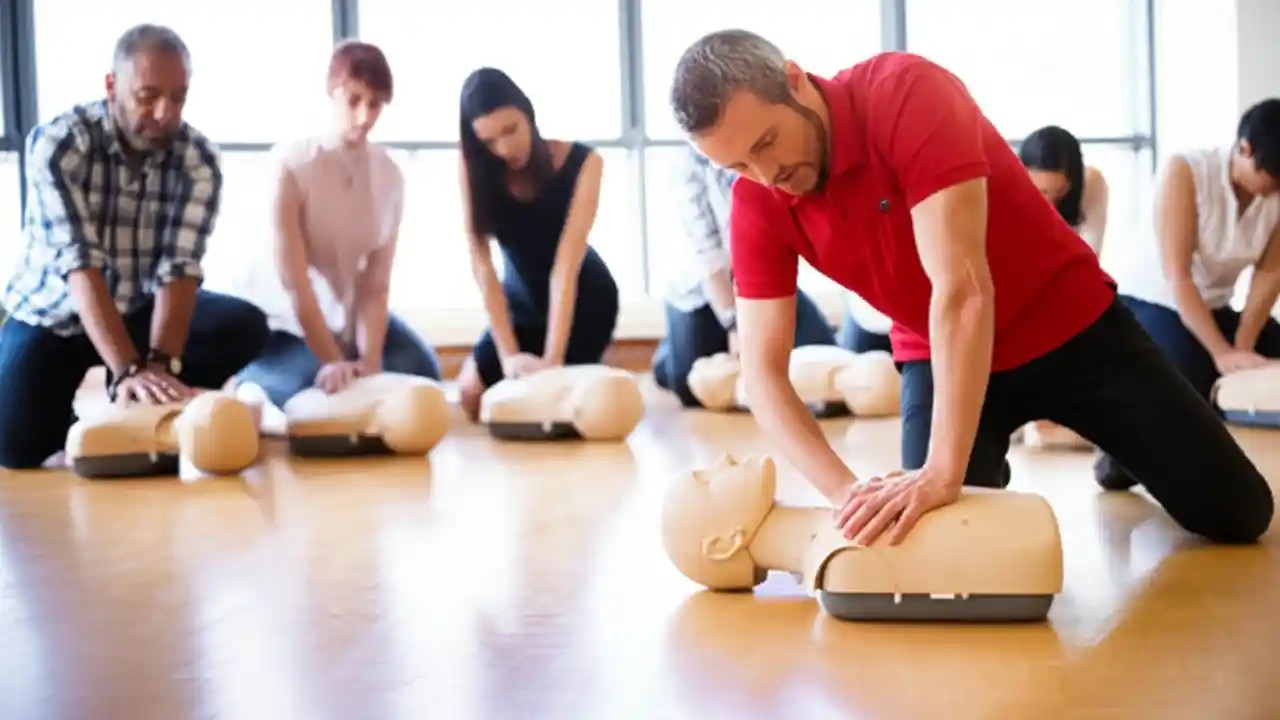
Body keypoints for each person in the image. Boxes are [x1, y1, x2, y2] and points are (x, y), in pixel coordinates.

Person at [668, 30, 1273, 547]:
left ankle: (1121, 445)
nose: (766, 176)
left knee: (1238, 515)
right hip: (940, 354)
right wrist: (846, 496)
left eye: (767, 143)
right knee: (932, 542)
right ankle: (1111, 440)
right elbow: (765, 375)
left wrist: (941, 471)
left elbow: (962, 287)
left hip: (1071, 327)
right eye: (738, 166)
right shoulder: (758, 200)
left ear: (796, 81)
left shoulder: (906, 92)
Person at [0, 24, 268, 470]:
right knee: (15, 447)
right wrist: (127, 367)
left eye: (178, 98)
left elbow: (179, 271)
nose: (164, 113)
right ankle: (106, 393)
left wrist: (161, 365)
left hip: (139, 311)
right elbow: (81, 268)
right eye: (148, 96)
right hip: (54, 318)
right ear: (112, 86)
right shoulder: (59, 146)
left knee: (245, 325)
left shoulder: (197, 161)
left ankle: (149, 405)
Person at [234, 40, 441, 411]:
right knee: (307, 386)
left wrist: (370, 365)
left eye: (375, 104)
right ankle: (250, 377)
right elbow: (294, 283)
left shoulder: (390, 177)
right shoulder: (291, 165)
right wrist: (334, 360)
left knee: (423, 373)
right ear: (332, 93)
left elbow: (375, 287)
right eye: (354, 100)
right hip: (285, 320)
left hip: (345, 315)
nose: (365, 116)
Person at [454, 67, 620, 421]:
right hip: (520, 305)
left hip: (583, 300)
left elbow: (566, 266)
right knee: (471, 397)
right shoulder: (475, 170)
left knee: (563, 406)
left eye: (511, 130)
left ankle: (588, 360)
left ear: (528, 113)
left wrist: (553, 361)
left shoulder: (585, 163)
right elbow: (483, 267)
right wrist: (509, 356)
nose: (505, 148)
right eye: (489, 141)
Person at [1110, 100, 1280, 404]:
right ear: (1244, 149)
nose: (1275, 187)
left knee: (1268, 354)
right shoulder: (1186, 170)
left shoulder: (1276, 192)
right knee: (1190, 376)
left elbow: (1270, 272)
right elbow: (1179, 276)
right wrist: (1222, 353)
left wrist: (1243, 346)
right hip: (1153, 302)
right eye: (1271, 175)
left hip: (1214, 305)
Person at [652, 143, 835, 407]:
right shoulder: (687, 164)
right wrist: (735, 327)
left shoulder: (770, 149)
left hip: (763, 281)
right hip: (703, 292)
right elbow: (708, 258)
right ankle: (668, 356)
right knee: (687, 383)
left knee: (824, 350)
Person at [1019, 125, 1109, 256]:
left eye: (1060, 191)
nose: (1052, 205)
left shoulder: (1090, 182)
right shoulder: (1004, 189)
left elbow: (1089, 254)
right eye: (1042, 192)